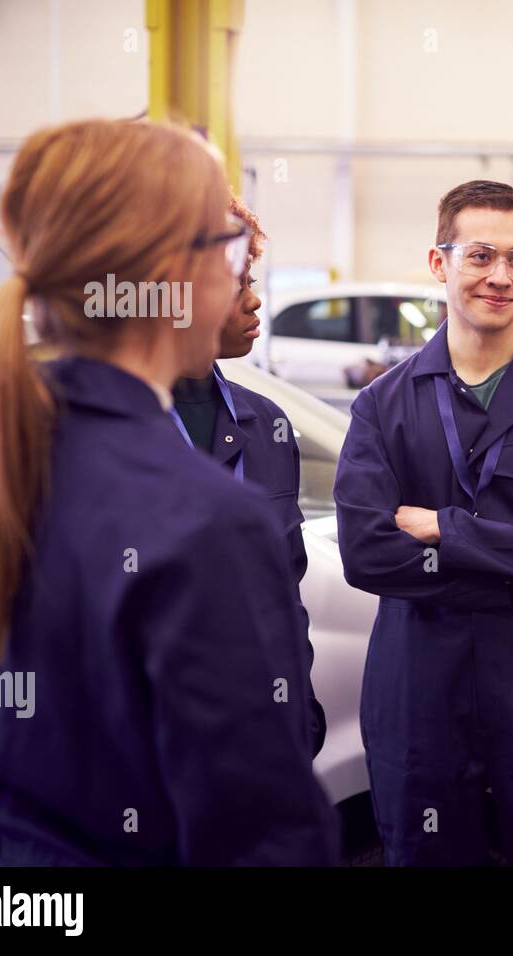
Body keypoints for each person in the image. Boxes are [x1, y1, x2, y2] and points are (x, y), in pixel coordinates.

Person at [0, 119, 337, 865]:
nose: (242, 269)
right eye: (227, 244)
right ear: (169, 276)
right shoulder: (204, 519)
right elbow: (262, 836)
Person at [334, 180, 513, 866]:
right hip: (420, 698)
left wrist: (446, 529)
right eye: (481, 256)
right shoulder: (383, 407)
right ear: (440, 263)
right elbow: (368, 556)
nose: (502, 277)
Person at [170, 194, 326, 756]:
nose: (254, 301)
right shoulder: (99, 434)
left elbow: (287, 594)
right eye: (238, 283)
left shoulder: (266, 426)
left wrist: (299, 717)